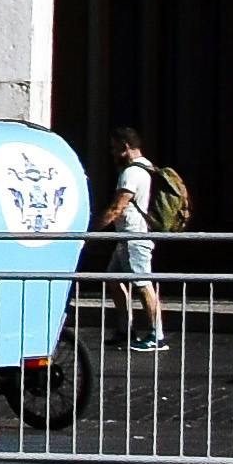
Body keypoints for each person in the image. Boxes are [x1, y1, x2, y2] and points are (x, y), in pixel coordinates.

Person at [101, 127, 171, 353]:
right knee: (113, 279)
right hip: (127, 238)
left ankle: (156, 336)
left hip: (135, 236)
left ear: (125, 147)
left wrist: (89, 232)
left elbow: (116, 207)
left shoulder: (132, 173)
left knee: (143, 284)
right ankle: (125, 329)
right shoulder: (148, 167)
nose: (112, 153)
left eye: (114, 148)